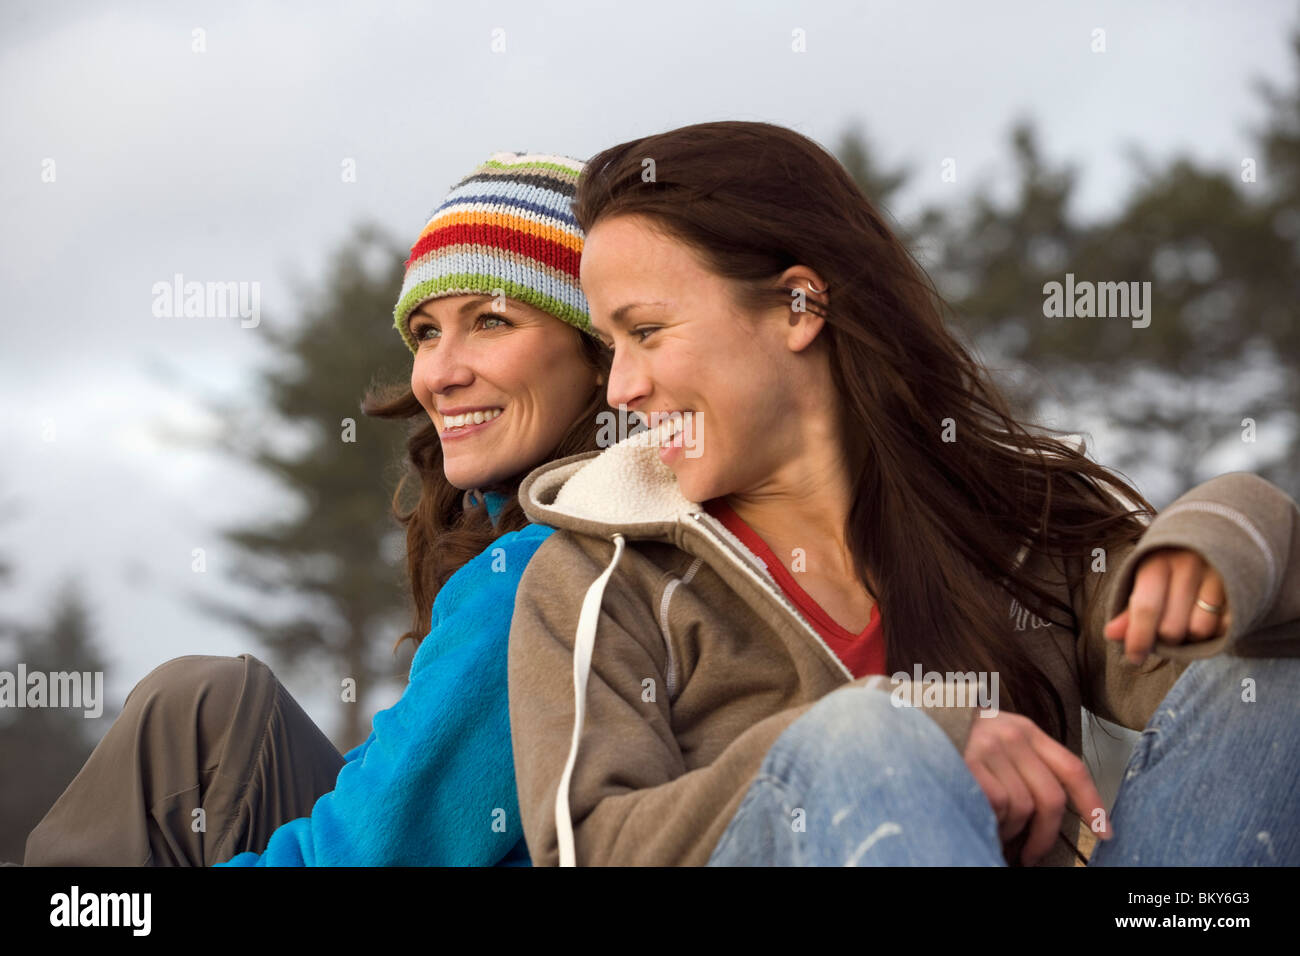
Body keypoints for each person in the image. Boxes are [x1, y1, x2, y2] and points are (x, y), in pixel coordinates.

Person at [504, 121, 1300, 867]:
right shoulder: (600, 579)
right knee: (863, 738)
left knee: (1277, 671)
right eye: (609, 347)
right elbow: (591, 846)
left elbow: (1232, 684)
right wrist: (892, 730)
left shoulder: (1012, 522)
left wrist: (1230, 533)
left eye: (645, 332)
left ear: (799, 307)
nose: (620, 389)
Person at [23, 151, 611, 866]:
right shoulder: (546, 543)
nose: (440, 374)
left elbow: (364, 859)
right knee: (202, 706)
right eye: (426, 332)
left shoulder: (538, 576)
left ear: (600, 352)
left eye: (490, 321)